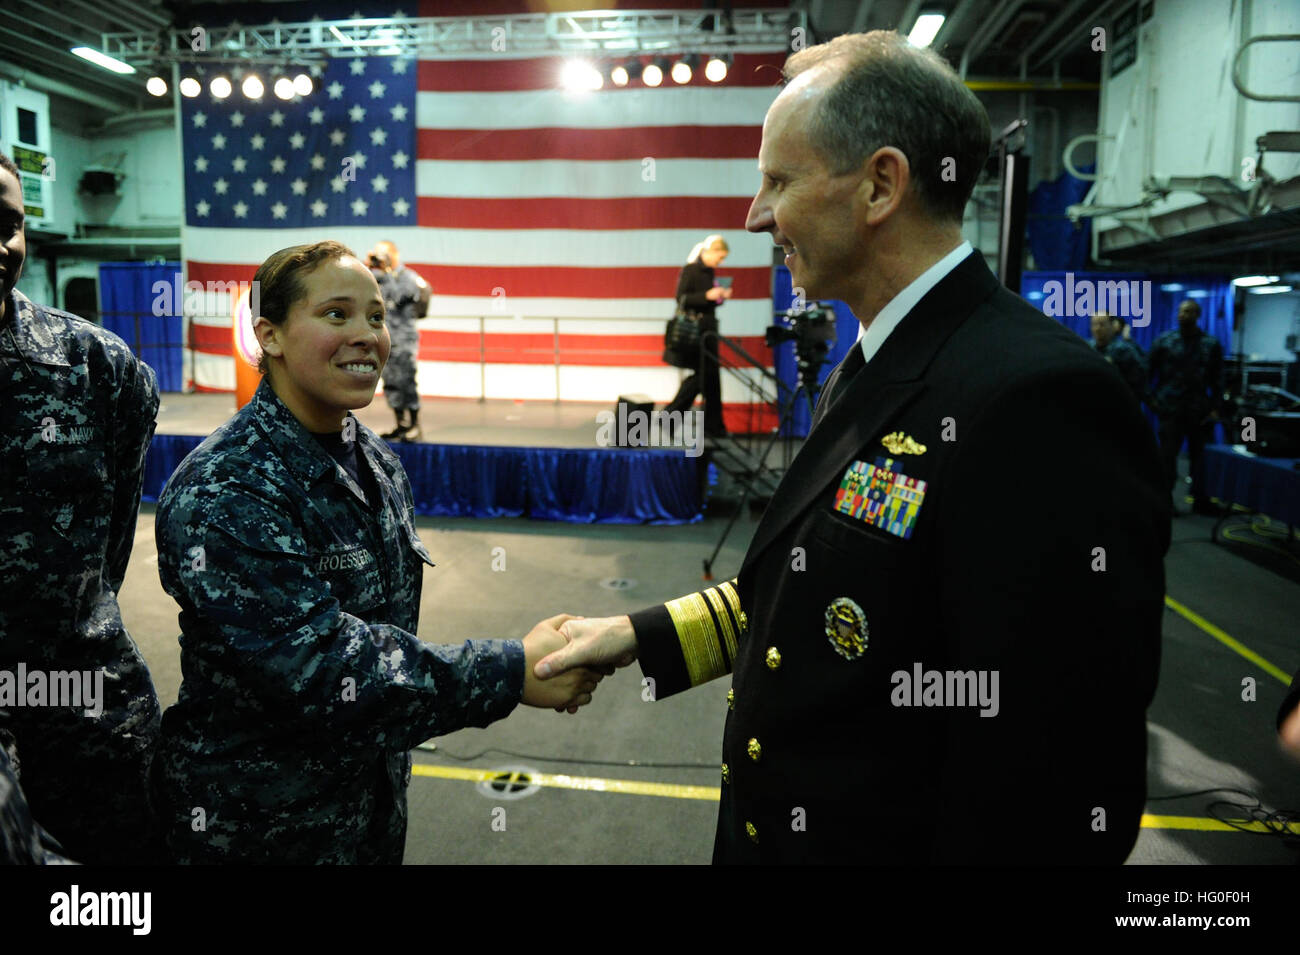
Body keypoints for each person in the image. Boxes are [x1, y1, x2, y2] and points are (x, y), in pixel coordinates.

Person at [535, 31, 1170, 864]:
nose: (756, 215)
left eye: (778, 181)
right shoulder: (877, 363)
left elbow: (1055, 787)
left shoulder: (1038, 398)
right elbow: (805, 596)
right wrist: (633, 634)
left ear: (881, 185)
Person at [150, 240, 603, 864]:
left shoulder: (377, 461)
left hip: (369, 810)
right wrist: (509, 671)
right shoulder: (227, 487)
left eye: (375, 316)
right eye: (337, 314)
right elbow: (321, 667)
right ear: (270, 336)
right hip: (259, 830)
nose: (367, 334)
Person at [0, 153, 163, 865]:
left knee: (118, 894)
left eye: (7, 224)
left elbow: (114, 537)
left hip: (85, 696)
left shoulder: (99, 368)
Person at [1148, 299, 1225, 516]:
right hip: (1170, 409)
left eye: (1189, 311)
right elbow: (1146, 372)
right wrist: (1152, 401)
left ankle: (1201, 500)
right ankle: (1165, 500)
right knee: (1167, 458)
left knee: (1200, 459)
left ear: (1198, 315)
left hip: (1198, 411)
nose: (1184, 315)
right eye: (1181, 311)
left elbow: (1218, 378)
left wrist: (1215, 408)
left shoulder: (1210, 344)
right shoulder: (1164, 341)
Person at [662, 234, 731, 438]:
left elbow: (708, 303)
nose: (721, 262)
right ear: (710, 252)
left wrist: (719, 298)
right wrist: (707, 296)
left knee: (710, 380)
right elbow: (681, 298)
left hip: (708, 330)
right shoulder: (691, 269)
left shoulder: (710, 272)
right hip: (695, 333)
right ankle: (674, 416)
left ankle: (711, 425)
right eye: (720, 257)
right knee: (703, 377)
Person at [370, 239, 430, 442]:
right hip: (385, 338)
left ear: (394, 255)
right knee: (391, 381)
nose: (380, 257)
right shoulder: (377, 277)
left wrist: (386, 273)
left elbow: (398, 295)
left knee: (406, 380)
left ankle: (414, 425)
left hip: (404, 337)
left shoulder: (407, 277)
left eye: (383, 253)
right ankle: (401, 424)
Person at [1090, 310, 1147, 408]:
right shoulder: (1087, 348)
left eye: (1102, 324)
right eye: (1094, 324)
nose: (1097, 328)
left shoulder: (1124, 351)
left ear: (1112, 326)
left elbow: (1139, 383)